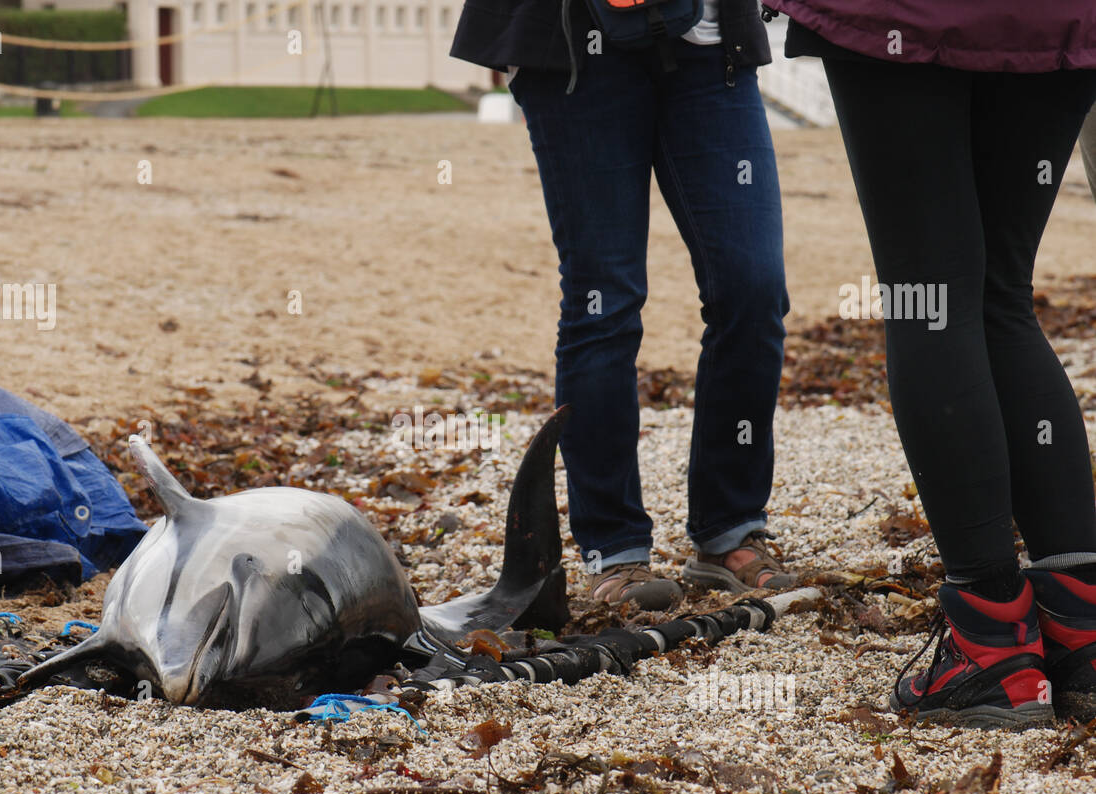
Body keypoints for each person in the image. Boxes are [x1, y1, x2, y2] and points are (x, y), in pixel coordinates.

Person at [761, 1, 1096, 727]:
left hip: (905, 15)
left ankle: (991, 648)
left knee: (930, 295)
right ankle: (1079, 628)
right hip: (1054, 17)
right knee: (1001, 294)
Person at [450, 0, 796, 612]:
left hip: (711, 45)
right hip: (572, 46)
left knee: (753, 287)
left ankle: (729, 528)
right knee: (602, 300)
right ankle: (613, 548)